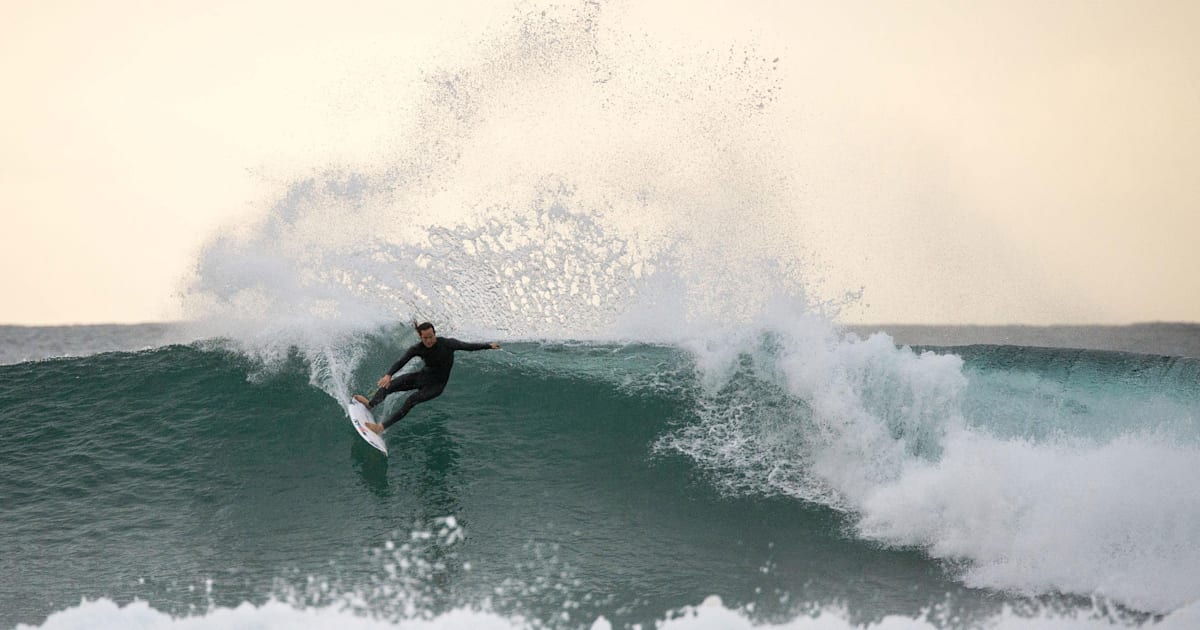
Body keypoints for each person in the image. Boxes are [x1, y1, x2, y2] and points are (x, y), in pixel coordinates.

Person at [354, 322, 500, 434]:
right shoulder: (417, 348)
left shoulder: (448, 344)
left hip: (436, 385)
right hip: (422, 377)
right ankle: (370, 404)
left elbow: (469, 346)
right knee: (389, 385)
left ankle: (381, 427)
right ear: (420, 337)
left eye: (431, 336)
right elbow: (402, 361)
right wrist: (388, 375)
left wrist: (488, 345)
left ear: (434, 333)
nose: (429, 340)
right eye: (425, 338)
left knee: (411, 400)